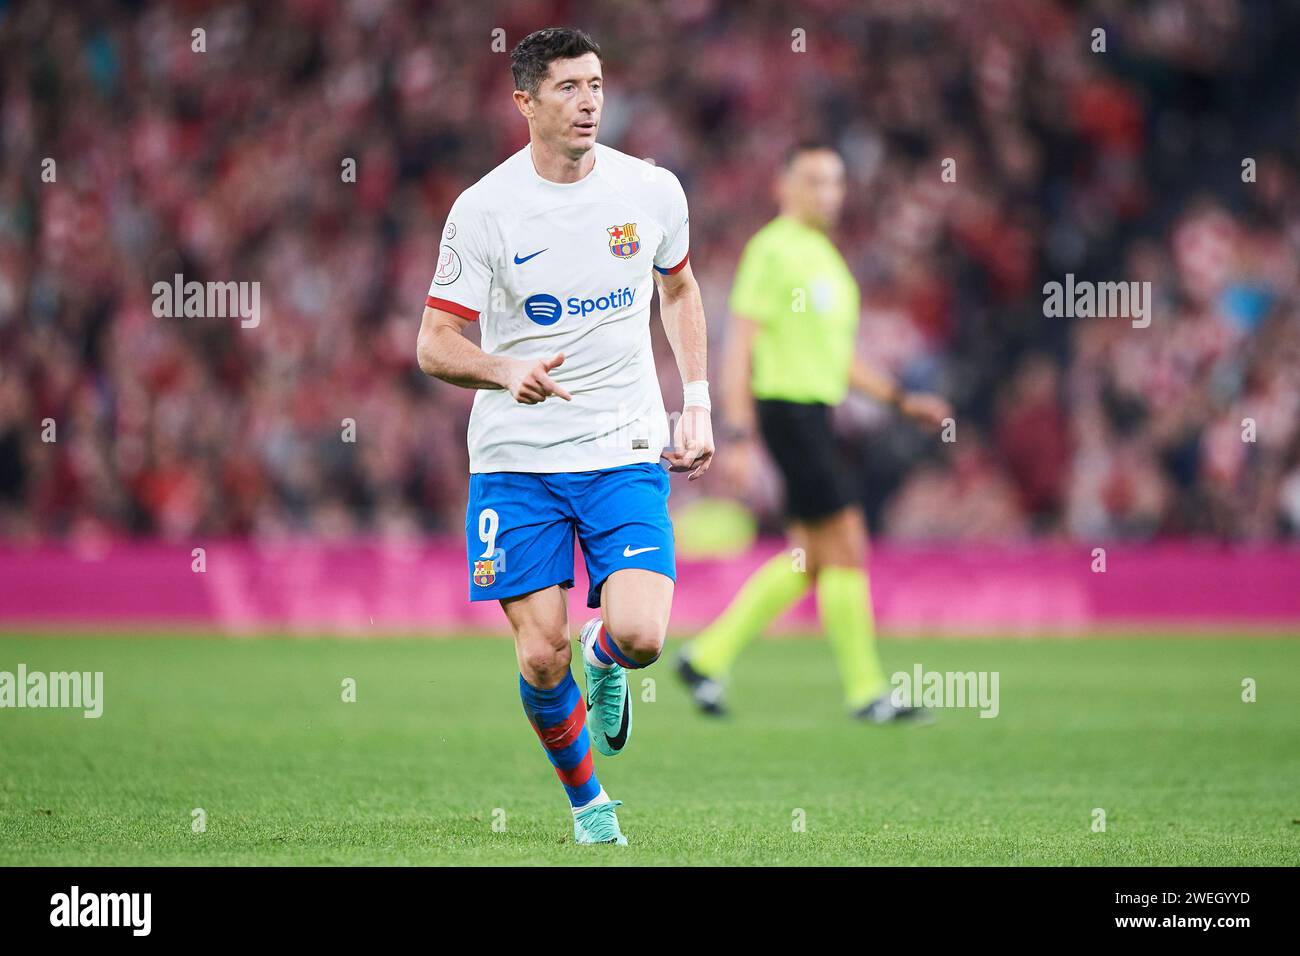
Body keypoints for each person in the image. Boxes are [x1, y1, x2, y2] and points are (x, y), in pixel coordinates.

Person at [416, 27, 713, 845]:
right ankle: (589, 803)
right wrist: (504, 370)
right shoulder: (485, 210)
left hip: (623, 444)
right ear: (525, 101)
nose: (588, 102)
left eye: (596, 85)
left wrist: (698, 402)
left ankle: (607, 656)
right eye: (568, 88)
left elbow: (680, 290)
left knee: (645, 637)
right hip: (517, 460)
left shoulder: (650, 190)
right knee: (542, 658)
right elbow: (433, 344)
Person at [676, 142, 949, 722]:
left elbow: (839, 358)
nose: (828, 193)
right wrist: (739, 433)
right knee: (847, 540)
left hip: (816, 412)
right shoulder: (772, 252)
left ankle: (705, 657)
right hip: (787, 412)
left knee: (811, 559)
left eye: (835, 182)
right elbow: (740, 347)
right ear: (785, 186)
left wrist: (901, 401)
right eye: (814, 181)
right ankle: (867, 692)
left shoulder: (826, 258)